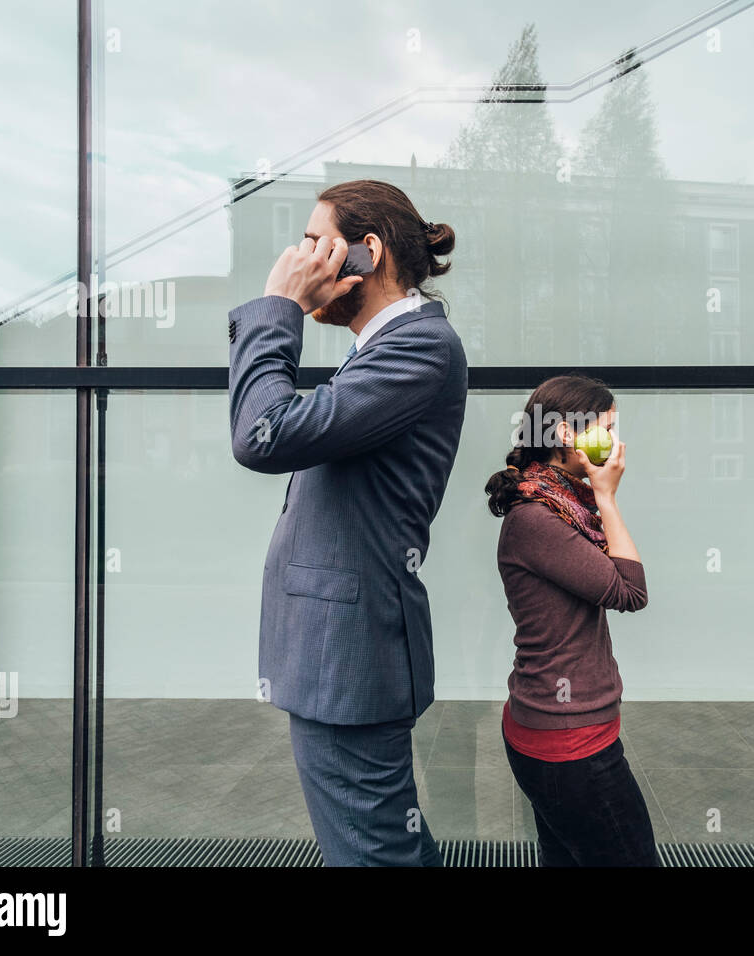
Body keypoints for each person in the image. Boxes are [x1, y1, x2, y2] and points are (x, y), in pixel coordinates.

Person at [228, 179, 466, 866]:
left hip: (350, 661)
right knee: (379, 848)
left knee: (374, 855)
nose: (301, 257)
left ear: (368, 251)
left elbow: (264, 433)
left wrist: (280, 307)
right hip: (336, 657)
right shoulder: (381, 349)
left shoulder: (420, 347)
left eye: (314, 242)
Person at [484, 375, 660, 866]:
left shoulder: (561, 505)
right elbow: (630, 590)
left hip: (563, 729)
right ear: (565, 436)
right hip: (568, 741)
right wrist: (607, 496)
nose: (616, 442)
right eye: (606, 429)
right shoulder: (537, 519)